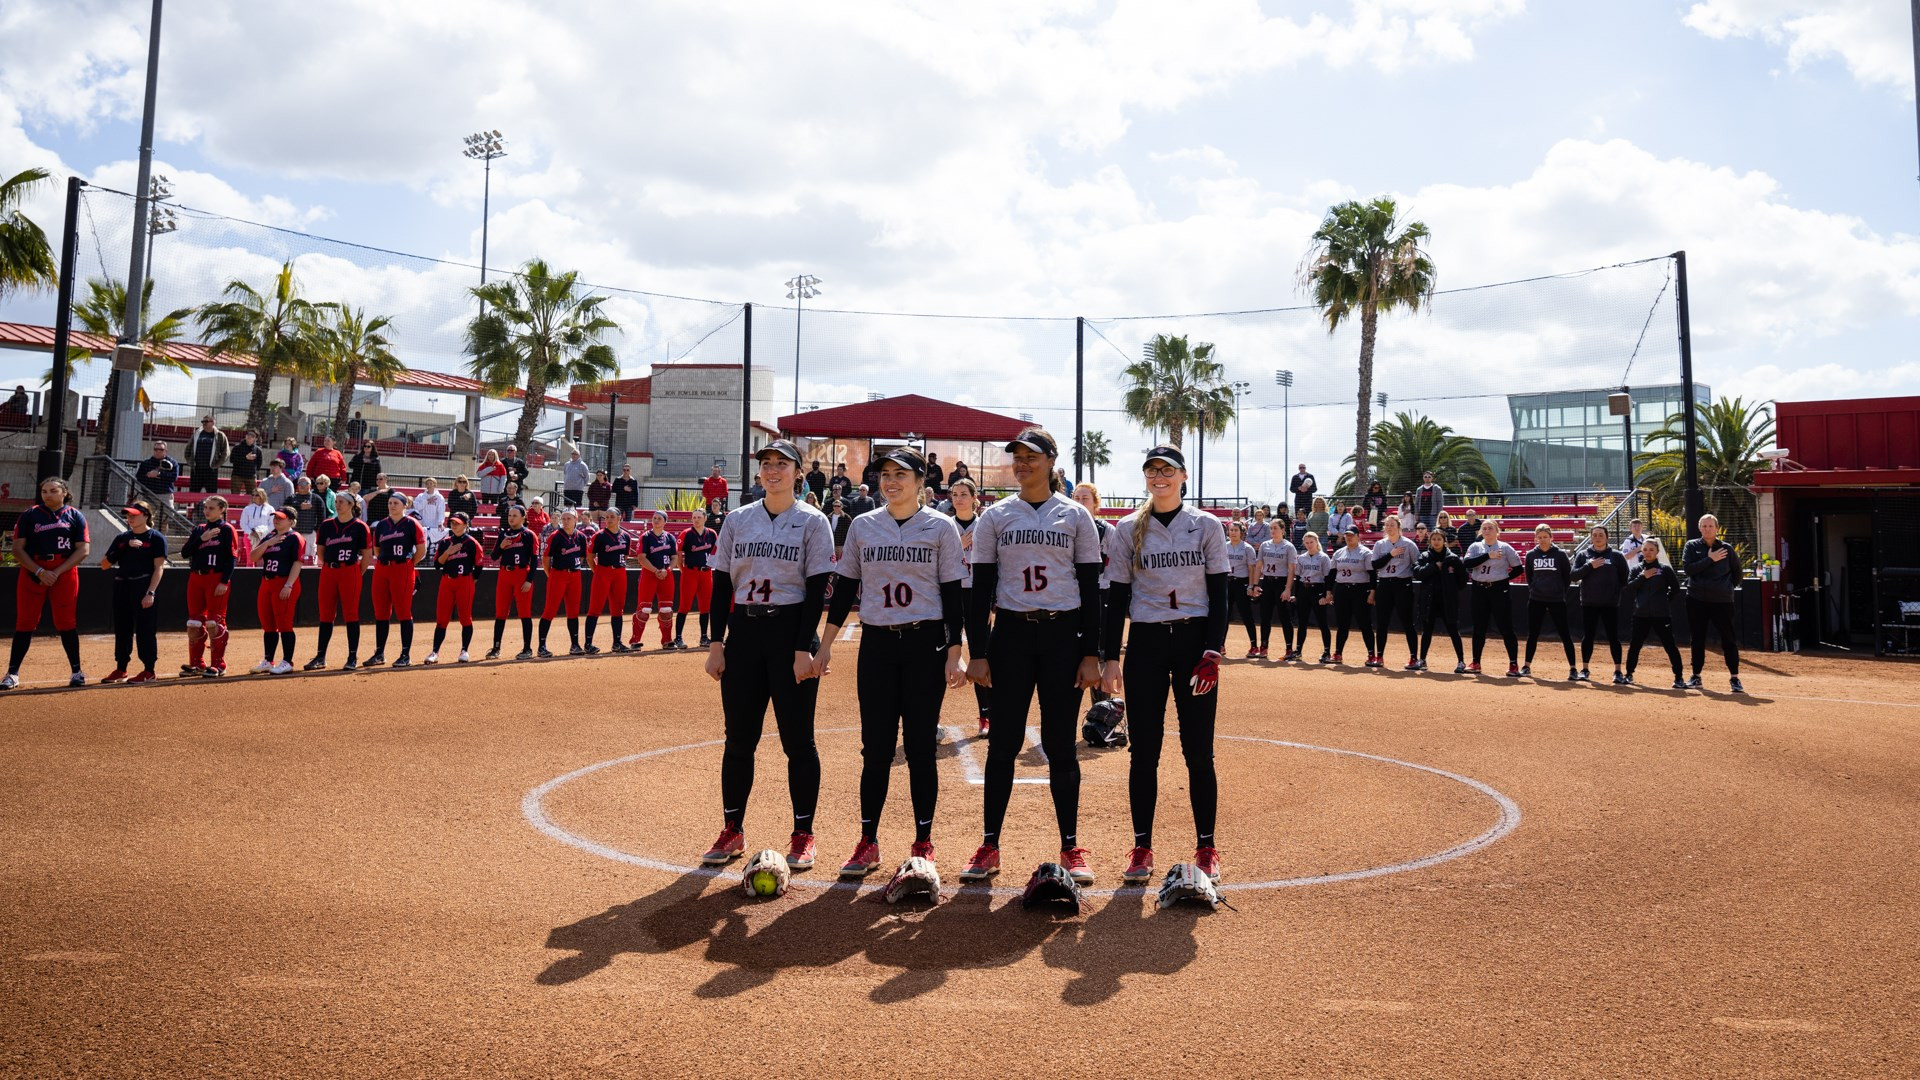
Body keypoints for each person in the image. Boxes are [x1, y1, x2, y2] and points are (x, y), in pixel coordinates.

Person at [960, 428, 1103, 886]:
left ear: (1051, 461)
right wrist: (978, 652)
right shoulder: (995, 516)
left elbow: (1090, 589)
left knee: (1062, 746)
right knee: (1002, 744)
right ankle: (989, 844)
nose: (1022, 463)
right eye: (1017, 457)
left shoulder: (1076, 516)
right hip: (1012, 636)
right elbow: (980, 587)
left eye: (1031, 456)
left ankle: (1070, 845)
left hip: (1062, 635)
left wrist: (1091, 653)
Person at [814, 446, 966, 879]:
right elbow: (844, 590)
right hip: (877, 645)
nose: (891, 481)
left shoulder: (941, 528)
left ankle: (923, 841)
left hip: (924, 646)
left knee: (920, 749)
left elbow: (954, 596)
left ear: (922, 482)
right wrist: (825, 645)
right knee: (875, 749)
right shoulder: (863, 525)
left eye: (902, 474)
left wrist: (956, 653)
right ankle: (868, 841)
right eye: (885, 474)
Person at [698, 439, 836, 871]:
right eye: (766, 464)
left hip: (790, 632)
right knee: (738, 741)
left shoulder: (813, 521)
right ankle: (732, 829)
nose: (773, 470)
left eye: (782, 464)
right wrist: (716, 643)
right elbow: (721, 585)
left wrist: (801, 648)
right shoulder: (737, 520)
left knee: (799, 742)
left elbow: (817, 591)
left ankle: (803, 832)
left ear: (798, 472)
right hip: (744, 635)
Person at [1099, 445, 1229, 884]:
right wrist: (1110, 657)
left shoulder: (1206, 525)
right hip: (1147, 644)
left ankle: (1207, 847)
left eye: (1167, 470)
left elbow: (1220, 595)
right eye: (1152, 470)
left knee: (1199, 752)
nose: (1160, 477)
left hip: (1194, 645)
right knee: (1144, 752)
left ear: (1183, 475)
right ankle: (1141, 847)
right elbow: (1115, 598)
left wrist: (1212, 651)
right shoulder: (1127, 529)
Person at [3, 478, 91, 690]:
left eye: (53, 491)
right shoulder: (29, 515)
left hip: (64, 571)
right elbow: (17, 549)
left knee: (66, 622)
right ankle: (12, 673)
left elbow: (83, 550)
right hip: (34, 570)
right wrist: (40, 571)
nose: (47, 495)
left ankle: (76, 671)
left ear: (64, 493)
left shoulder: (75, 515)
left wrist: (57, 572)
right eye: (44, 491)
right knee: (25, 622)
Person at [945, 478, 994, 735]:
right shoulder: (945, 525)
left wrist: (991, 602)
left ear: (975, 497)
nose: (959, 498)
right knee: (941, 654)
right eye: (955, 494)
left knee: (980, 654)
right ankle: (931, 718)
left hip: (978, 595)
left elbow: (998, 564)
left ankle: (986, 716)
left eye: (964, 494)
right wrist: (958, 547)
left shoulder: (985, 525)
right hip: (951, 594)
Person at [99, 502, 167, 684]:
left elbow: (159, 568)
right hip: (122, 586)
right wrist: (124, 547)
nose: (130, 518)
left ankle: (149, 670)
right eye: (128, 515)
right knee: (122, 629)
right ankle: (121, 669)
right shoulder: (122, 538)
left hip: (143, 586)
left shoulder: (156, 538)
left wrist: (150, 592)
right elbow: (104, 565)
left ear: (146, 515)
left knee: (145, 630)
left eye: (134, 515)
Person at [306, 493, 372, 671]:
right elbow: (320, 550)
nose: (337, 504)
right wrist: (329, 564)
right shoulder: (327, 525)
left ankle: (352, 657)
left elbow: (367, 554)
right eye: (336, 502)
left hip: (349, 571)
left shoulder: (360, 527)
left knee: (351, 614)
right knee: (326, 615)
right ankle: (320, 657)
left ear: (351, 504)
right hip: (329, 571)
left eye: (341, 502)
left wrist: (357, 572)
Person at [1682, 513, 1744, 693]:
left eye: (1710, 526)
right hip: (1696, 599)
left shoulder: (1727, 548)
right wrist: (1710, 559)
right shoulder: (1691, 546)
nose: (1707, 529)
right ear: (1699, 528)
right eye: (1704, 526)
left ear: (1717, 528)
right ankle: (1696, 676)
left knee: (1729, 639)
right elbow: (1688, 569)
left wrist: (1726, 588)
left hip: (1722, 601)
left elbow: (1737, 572)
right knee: (1697, 639)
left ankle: (1735, 678)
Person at [181, 495, 240, 678]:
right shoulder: (199, 529)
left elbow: (232, 559)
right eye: (206, 507)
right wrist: (202, 538)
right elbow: (185, 553)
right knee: (194, 622)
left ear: (222, 509)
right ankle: (197, 663)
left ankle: (218, 664)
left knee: (215, 622)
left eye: (211, 508)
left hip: (216, 578)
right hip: (196, 578)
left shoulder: (227, 529)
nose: (207, 511)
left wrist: (224, 581)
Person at [367, 493, 427, 668]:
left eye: (396, 503)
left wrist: (407, 565)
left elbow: (421, 550)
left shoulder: (411, 524)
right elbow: (376, 550)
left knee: (403, 612)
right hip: (382, 568)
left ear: (404, 505)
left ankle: (405, 654)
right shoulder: (382, 525)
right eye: (390, 503)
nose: (392, 506)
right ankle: (379, 654)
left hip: (402, 568)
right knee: (381, 612)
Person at [1620, 537, 1687, 689]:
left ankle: (1679, 677)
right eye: (1645, 549)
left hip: (1661, 615)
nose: (1648, 553)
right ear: (1641, 551)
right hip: (1640, 614)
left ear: (1657, 552)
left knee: (1670, 646)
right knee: (1635, 645)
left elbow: (1675, 590)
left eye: (1651, 550)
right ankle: (1629, 674)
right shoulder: (1637, 569)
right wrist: (1643, 577)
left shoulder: (1665, 569)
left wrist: (1663, 601)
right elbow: (1629, 588)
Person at [1464, 519, 1523, 677]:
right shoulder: (1475, 546)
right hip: (1479, 590)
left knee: (1506, 627)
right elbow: (1467, 563)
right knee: (1479, 628)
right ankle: (1476, 662)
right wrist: (1488, 555)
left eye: (1490, 528)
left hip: (1498, 590)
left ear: (1497, 531)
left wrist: (1504, 578)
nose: (1487, 531)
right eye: (1484, 528)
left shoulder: (1505, 548)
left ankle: (1513, 664)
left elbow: (1518, 568)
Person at [1571, 526, 1630, 683]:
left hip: (1610, 604)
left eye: (1601, 535)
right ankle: (1584, 669)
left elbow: (1625, 577)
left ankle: (1618, 672)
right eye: (1595, 535)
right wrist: (1590, 566)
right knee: (1588, 636)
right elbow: (1574, 575)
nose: (1598, 537)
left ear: (1607, 536)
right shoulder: (1583, 555)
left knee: (1613, 637)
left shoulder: (1616, 556)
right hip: (1589, 603)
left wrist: (1614, 592)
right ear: (1591, 538)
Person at [250, 508, 304, 674]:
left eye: (281, 518)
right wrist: (267, 543)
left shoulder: (295, 538)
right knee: (268, 624)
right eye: (275, 518)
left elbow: (297, 563)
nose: (277, 520)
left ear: (291, 521)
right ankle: (268, 660)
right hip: (266, 582)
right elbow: (253, 557)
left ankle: (288, 662)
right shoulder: (270, 536)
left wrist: (288, 585)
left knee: (284, 624)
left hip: (284, 582)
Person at [1521, 524, 1577, 680]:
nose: (1542, 540)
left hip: (1556, 600)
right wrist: (1535, 590)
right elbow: (1529, 577)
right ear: (1535, 539)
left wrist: (1559, 592)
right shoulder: (1531, 555)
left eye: (1545, 537)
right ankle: (1526, 666)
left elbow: (1567, 577)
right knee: (1533, 634)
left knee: (1565, 634)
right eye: (1539, 537)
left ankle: (1573, 669)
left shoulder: (1560, 555)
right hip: (1536, 600)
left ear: (1551, 538)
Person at [426, 511, 483, 664]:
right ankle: (435, 652)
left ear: (465, 524)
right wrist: (448, 552)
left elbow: (478, 566)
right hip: (447, 582)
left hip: (465, 582)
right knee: (442, 619)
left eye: (457, 523)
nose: (454, 525)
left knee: (465, 618)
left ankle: (464, 650)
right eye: (452, 522)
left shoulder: (472, 543)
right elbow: (437, 565)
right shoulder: (445, 542)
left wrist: (471, 581)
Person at [487, 504, 539, 660]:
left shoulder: (529, 535)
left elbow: (535, 560)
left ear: (523, 517)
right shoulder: (503, 534)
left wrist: (529, 580)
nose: (511, 518)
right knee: (500, 612)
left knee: (524, 613)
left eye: (515, 515)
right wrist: (501, 546)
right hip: (504, 575)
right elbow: (494, 557)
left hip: (522, 575)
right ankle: (496, 648)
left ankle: (527, 649)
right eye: (510, 515)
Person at [1413, 524, 1466, 672]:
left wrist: (1451, 591)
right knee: (1427, 631)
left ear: (1444, 541)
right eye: (1434, 539)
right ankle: (1422, 660)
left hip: (1447, 601)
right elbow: (1417, 573)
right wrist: (1433, 566)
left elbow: (1462, 580)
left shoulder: (1453, 559)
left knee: (1453, 630)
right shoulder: (1424, 557)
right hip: (1429, 601)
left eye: (1439, 539)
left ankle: (1461, 662)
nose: (1436, 541)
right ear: (1430, 541)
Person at [1370, 516, 1421, 669]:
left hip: (1402, 584)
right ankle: (1379, 656)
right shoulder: (1380, 544)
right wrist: (1390, 554)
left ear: (1399, 526)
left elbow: (1417, 564)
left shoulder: (1408, 544)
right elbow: (1375, 565)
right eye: (1387, 525)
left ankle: (1413, 657)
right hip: (1385, 584)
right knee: (1382, 622)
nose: (1389, 527)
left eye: (1392, 525)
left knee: (1407, 622)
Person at [538, 508, 588, 657]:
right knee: (550, 610)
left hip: (575, 575)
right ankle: (542, 646)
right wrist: (551, 575)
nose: (565, 521)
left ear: (576, 520)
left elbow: (582, 557)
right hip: (558, 575)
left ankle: (575, 645)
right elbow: (545, 559)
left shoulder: (581, 537)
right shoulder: (555, 536)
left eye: (569, 519)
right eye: (563, 519)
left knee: (573, 611)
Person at [580, 509, 631, 654]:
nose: (609, 519)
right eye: (607, 517)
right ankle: (588, 643)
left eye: (612, 517)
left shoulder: (625, 536)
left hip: (620, 573)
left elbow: (625, 556)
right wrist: (598, 571)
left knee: (618, 608)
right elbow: (590, 557)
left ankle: (617, 642)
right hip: (603, 572)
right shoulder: (599, 536)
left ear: (619, 518)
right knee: (595, 608)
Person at [626, 510, 677, 650]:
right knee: (644, 609)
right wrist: (655, 570)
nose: (655, 520)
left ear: (665, 521)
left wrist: (668, 570)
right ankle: (635, 640)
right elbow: (641, 558)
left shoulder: (670, 538)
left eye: (659, 518)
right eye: (654, 518)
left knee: (666, 609)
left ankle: (667, 640)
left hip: (666, 575)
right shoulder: (646, 537)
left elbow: (675, 558)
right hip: (649, 574)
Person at [1329, 527, 1376, 665]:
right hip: (1342, 589)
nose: (1348, 538)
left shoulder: (1366, 553)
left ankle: (1372, 654)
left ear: (1358, 536)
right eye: (1346, 535)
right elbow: (1332, 574)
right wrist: (1328, 591)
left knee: (1364, 624)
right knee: (1342, 624)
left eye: (1351, 535)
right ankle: (1338, 653)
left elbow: (1372, 574)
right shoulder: (1338, 553)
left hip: (1360, 590)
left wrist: (1372, 592)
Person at [1252, 523, 1297, 661]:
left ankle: (1289, 649)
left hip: (1281, 583)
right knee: (1265, 617)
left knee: (1284, 617)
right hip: (1267, 582)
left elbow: (1292, 569)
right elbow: (1259, 565)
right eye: (1271, 528)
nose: (1272, 530)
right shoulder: (1265, 545)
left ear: (1283, 530)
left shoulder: (1289, 547)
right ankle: (1263, 647)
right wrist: (1255, 585)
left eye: (1276, 528)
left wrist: (1288, 588)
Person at [674, 510, 718, 648]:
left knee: (705, 606)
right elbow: (678, 554)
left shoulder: (711, 533)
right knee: (684, 605)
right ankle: (678, 638)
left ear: (705, 518)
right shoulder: (686, 533)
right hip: (690, 572)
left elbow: (716, 552)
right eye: (694, 517)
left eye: (699, 517)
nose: (696, 520)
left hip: (706, 573)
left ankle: (704, 637)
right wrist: (682, 569)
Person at [1292, 531, 1334, 662]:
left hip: (1318, 590)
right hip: (1304, 590)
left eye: (1311, 542)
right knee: (1302, 622)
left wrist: (1327, 594)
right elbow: (1298, 577)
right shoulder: (1301, 558)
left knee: (1322, 622)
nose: (1309, 545)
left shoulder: (1323, 557)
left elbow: (1328, 577)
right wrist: (1296, 595)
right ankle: (1298, 650)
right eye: (1307, 542)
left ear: (1317, 542)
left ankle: (1327, 652)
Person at [1224, 522, 1261, 658]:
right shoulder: (1224, 546)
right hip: (1227, 582)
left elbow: (1251, 568)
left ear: (1242, 532)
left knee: (1246, 614)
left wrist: (1251, 586)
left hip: (1241, 583)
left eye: (1235, 530)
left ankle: (1253, 645)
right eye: (1231, 530)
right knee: (1224, 615)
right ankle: (1221, 645)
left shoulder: (1247, 548)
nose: (1233, 532)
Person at [188, 416, 229, 494]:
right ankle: (195, 506)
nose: (204, 423)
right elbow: (188, 448)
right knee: (193, 492)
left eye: (206, 421)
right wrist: (190, 462)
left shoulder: (220, 435)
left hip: (211, 470)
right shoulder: (197, 433)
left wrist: (217, 464)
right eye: (203, 421)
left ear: (213, 422)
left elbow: (226, 452)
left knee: (211, 494)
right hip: (196, 470)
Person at [286, 477, 322, 561]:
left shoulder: (316, 499)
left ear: (310, 486)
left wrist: (314, 530)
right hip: (294, 534)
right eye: (300, 484)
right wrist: (299, 507)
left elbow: (322, 517)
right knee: (292, 557)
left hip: (309, 534)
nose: (302, 486)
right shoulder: (291, 498)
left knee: (308, 559)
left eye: (305, 483)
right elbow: (285, 511)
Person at [229, 429, 266, 497]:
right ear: (245, 436)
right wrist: (245, 458)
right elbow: (231, 460)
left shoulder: (258, 450)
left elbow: (259, 464)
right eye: (248, 434)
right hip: (237, 475)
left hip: (251, 476)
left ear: (255, 438)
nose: (250, 436)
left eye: (252, 436)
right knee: (235, 495)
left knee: (252, 496)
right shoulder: (237, 447)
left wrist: (253, 471)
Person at [416, 476, 448, 543]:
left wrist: (440, 523)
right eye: (427, 484)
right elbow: (417, 507)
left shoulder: (439, 497)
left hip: (434, 526)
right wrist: (426, 501)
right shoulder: (421, 496)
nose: (429, 485)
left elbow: (441, 511)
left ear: (434, 485)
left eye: (431, 483)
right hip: (423, 525)